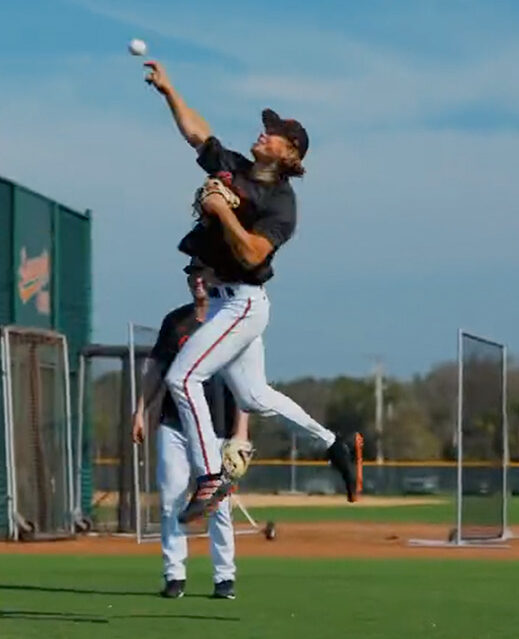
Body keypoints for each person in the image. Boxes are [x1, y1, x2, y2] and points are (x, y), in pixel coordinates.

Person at [143, 60, 363, 524]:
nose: (264, 133)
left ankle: (209, 477)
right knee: (254, 398)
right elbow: (197, 135)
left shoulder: (282, 205)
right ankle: (333, 443)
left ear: (291, 153)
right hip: (228, 303)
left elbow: (252, 257)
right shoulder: (236, 169)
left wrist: (221, 213)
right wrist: (169, 92)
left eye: (275, 131)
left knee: (182, 379)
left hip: (243, 303)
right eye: (266, 127)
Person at [133, 266, 248, 600]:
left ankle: (224, 577)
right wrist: (141, 410)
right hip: (174, 425)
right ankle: (174, 575)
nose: (198, 280)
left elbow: (245, 384)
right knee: (171, 499)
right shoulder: (176, 322)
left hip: (216, 429)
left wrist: (241, 432)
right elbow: (156, 370)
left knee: (217, 502)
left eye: (204, 274)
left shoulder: (231, 321)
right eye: (192, 274)